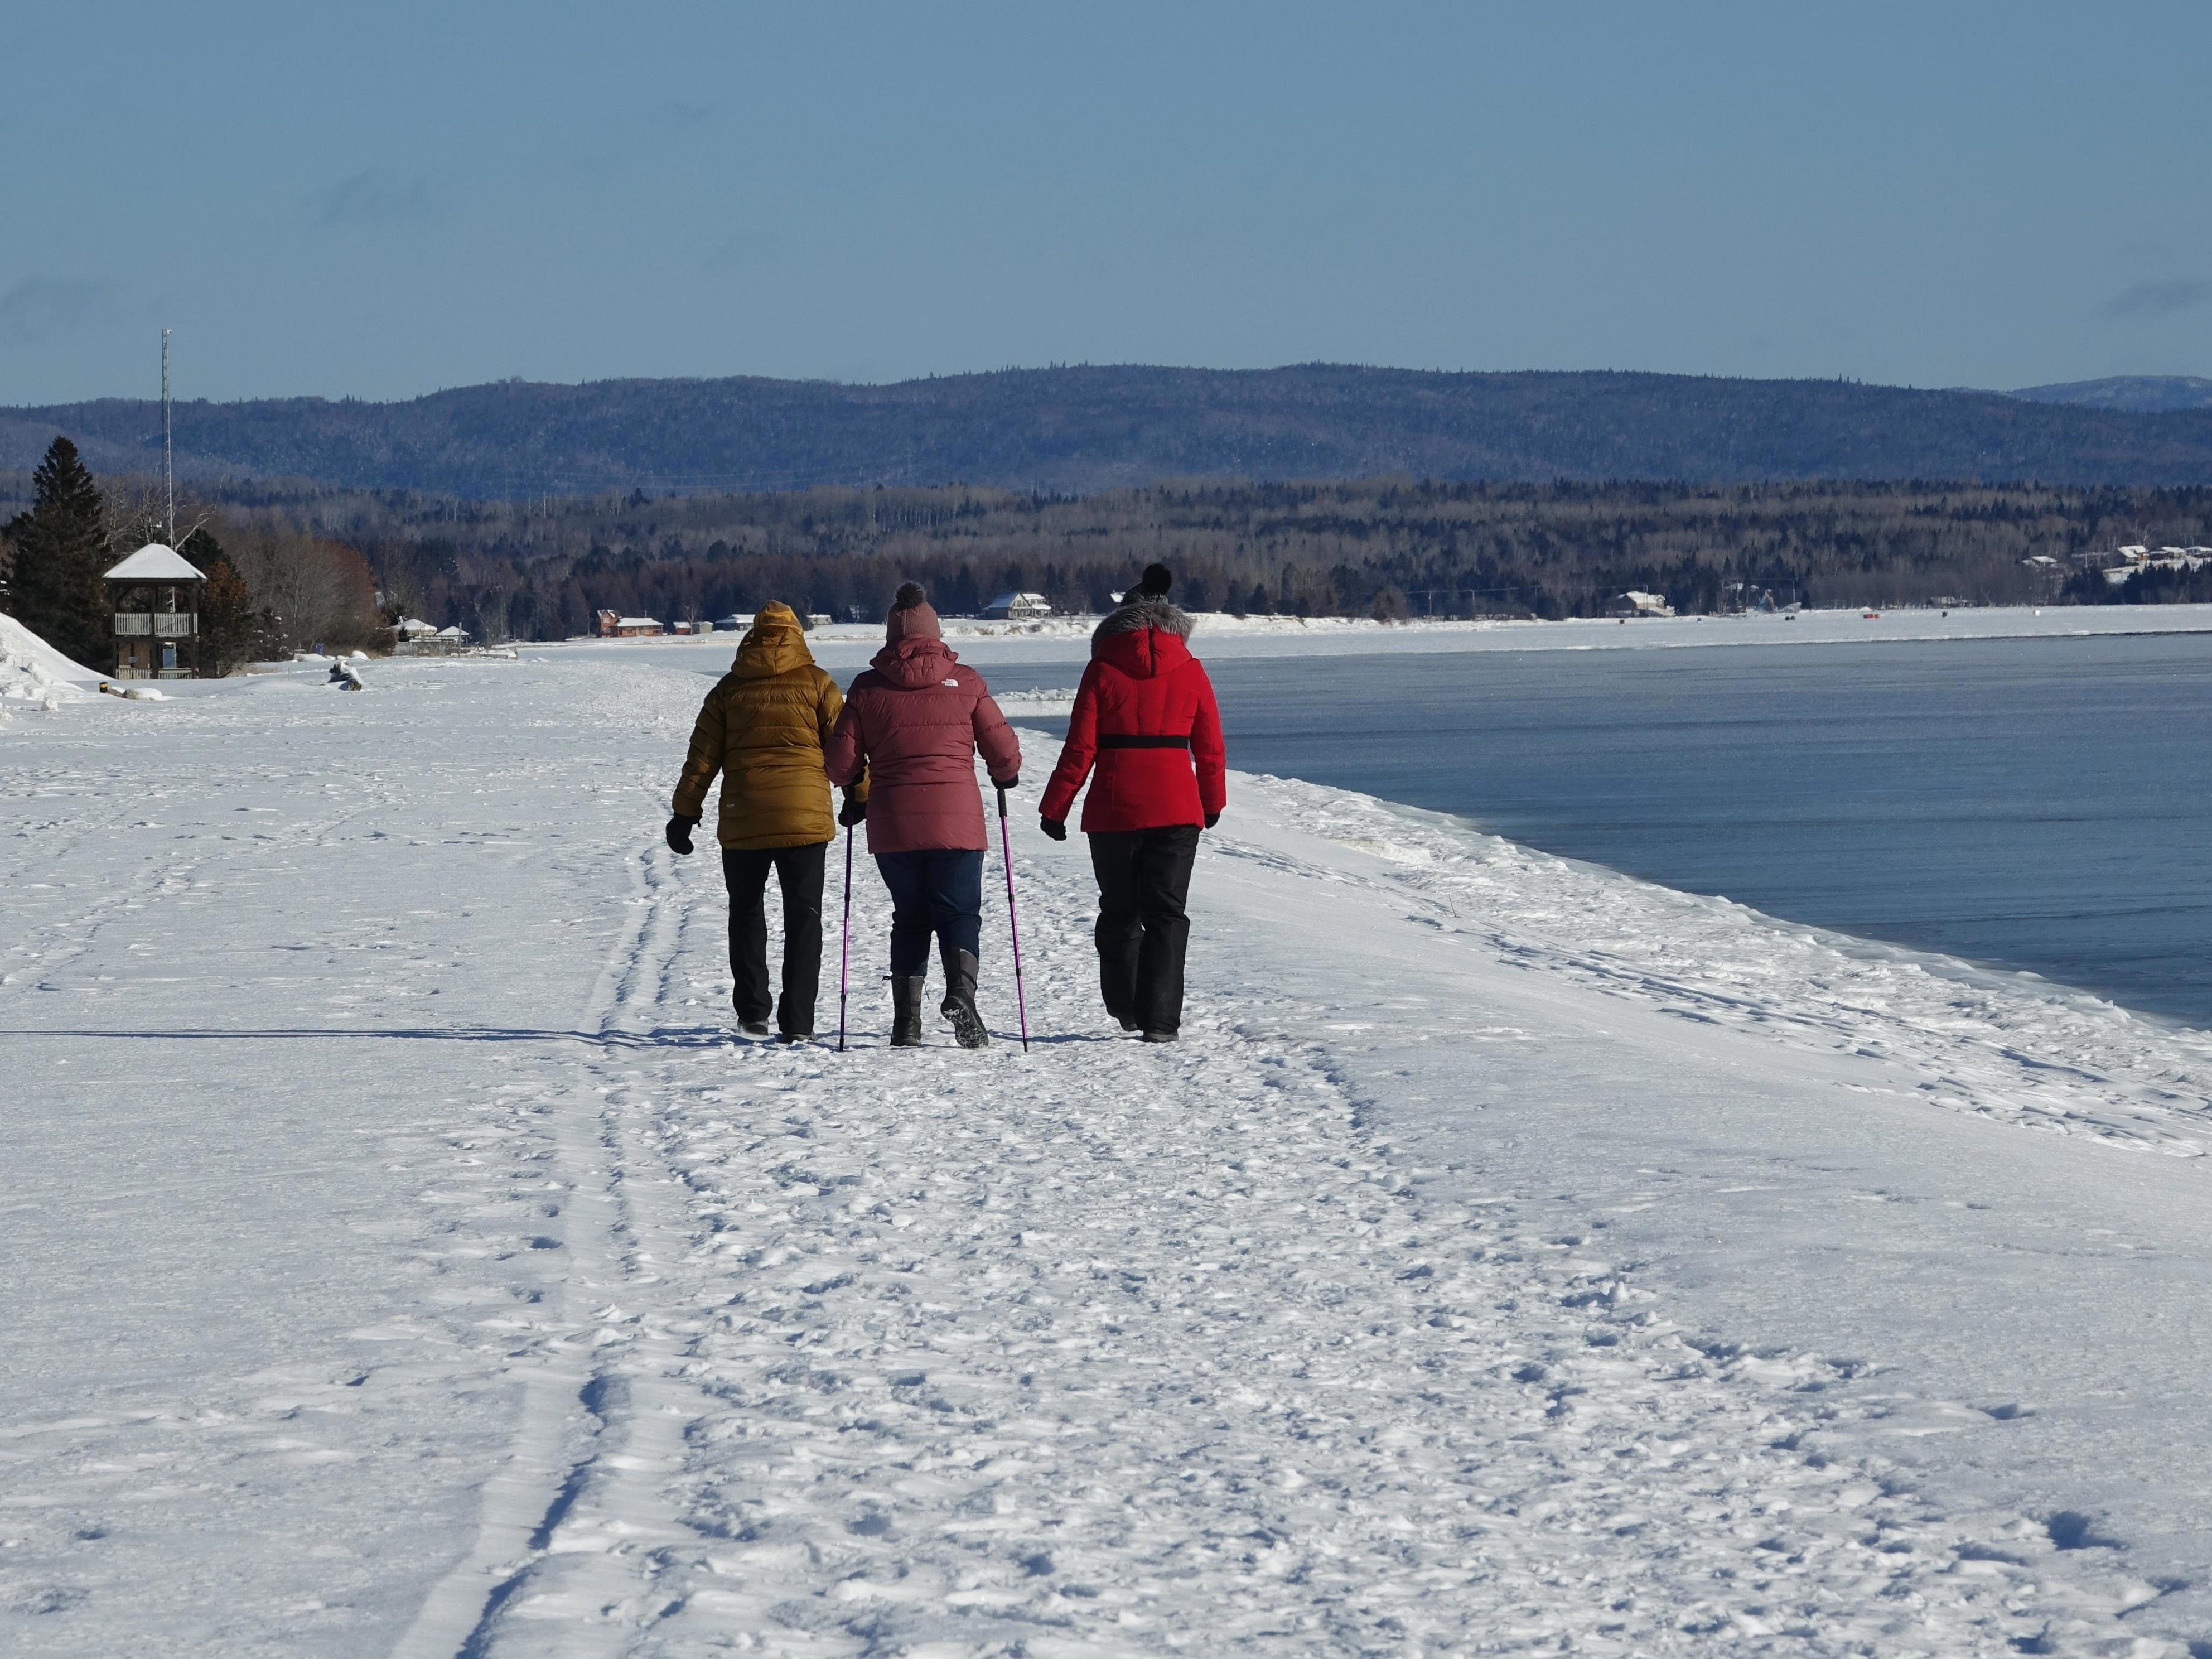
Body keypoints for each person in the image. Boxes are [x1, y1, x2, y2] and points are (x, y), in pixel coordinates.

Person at [826, 582, 1021, 1048]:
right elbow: (1003, 751)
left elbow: (839, 765)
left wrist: (857, 785)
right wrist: (1005, 775)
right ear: (936, 633)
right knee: (959, 913)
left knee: (910, 917)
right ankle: (961, 993)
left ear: (891, 634)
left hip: (893, 823)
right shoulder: (968, 681)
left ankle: (906, 1024)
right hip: (957, 820)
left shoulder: (867, 687)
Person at [1039, 563, 1226, 1043]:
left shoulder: (1102, 667)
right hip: (1177, 806)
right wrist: (1212, 802)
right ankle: (1161, 1022)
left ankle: (1125, 1005)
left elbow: (1080, 747)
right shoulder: (1190, 668)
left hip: (1115, 807)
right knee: (1167, 913)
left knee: (1120, 910)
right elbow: (1209, 747)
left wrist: (1055, 807)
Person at [665, 601, 863, 1041]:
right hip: (805, 818)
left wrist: (684, 814)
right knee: (804, 917)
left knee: (747, 914)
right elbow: (845, 749)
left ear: (752, 637)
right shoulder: (819, 684)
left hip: (744, 816)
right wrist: (858, 796)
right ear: (797, 635)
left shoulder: (728, 691)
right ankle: (798, 1023)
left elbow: (701, 760)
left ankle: (754, 1011)